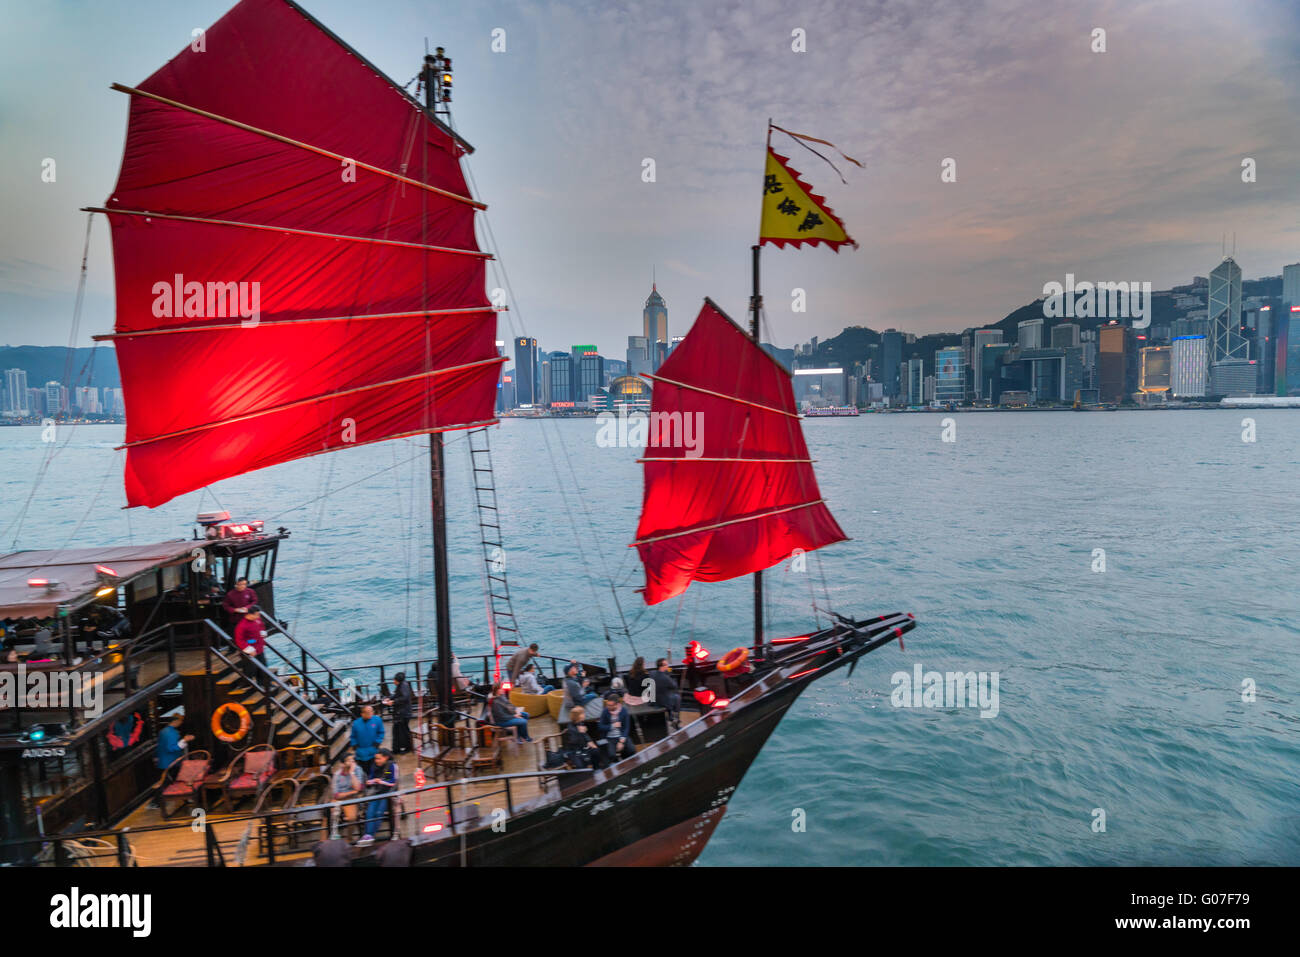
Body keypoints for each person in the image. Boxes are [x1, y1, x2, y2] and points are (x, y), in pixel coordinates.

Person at [358, 748, 398, 846]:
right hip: (377, 792)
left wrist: (381, 781)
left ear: (386, 758)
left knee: (379, 813)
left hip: (388, 793)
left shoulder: (391, 766)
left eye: (379, 759)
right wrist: (370, 781)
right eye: (376, 759)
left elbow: (393, 781)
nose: (376, 761)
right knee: (370, 812)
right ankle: (368, 835)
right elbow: (371, 778)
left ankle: (370, 835)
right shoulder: (374, 766)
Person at [233, 606, 268, 689]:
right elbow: (239, 640)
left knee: (263, 666)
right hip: (249, 649)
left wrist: (263, 632)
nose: (258, 617)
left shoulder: (257, 620)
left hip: (259, 647)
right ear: (249, 614)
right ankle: (246, 683)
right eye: (256, 615)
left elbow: (262, 626)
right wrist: (249, 649)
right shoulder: (242, 626)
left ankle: (262, 683)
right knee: (249, 668)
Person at [331, 751, 365, 835]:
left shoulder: (357, 770)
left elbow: (358, 788)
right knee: (330, 815)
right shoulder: (337, 774)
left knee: (352, 818)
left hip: (352, 798)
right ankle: (327, 838)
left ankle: (349, 838)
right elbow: (336, 795)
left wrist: (351, 773)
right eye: (349, 760)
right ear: (342, 764)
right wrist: (351, 792)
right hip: (340, 798)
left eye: (353, 760)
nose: (352, 762)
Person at [596, 693, 635, 763]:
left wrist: (621, 741)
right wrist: (612, 726)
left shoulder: (624, 711)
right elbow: (600, 726)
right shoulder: (605, 712)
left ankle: (627, 762)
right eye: (608, 705)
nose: (608, 707)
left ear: (617, 704)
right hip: (610, 737)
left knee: (631, 750)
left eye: (611, 705)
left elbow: (626, 727)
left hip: (621, 736)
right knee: (611, 755)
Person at [350, 703, 385, 775]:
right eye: (367, 712)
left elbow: (381, 732)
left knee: (375, 769)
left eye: (371, 711)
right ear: (362, 714)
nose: (370, 713)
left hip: (373, 749)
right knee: (363, 770)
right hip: (360, 751)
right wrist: (354, 745)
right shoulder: (356, 723)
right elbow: (353, 736)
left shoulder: (377, 720)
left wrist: (378, 742)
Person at [386, 672, 413, 754]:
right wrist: (389, 698)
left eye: (394, 680)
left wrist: (393, 702)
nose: (393, 681)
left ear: (398, 681)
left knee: (403, 731)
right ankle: (396, 749)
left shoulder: (403, 686)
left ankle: (407, 748)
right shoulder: (401, 685)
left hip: (403, 713)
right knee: (397, 731)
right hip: (399, 713)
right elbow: (396, 695)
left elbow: (404, 698)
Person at [650, 658, 682, 723]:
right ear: (662, 666)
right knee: (677, 697)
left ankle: (670, 716)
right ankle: (676, 717)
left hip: (653, 699)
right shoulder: (665, 678)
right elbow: (674, 686)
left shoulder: (652, 673)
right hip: (661, 702)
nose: (668, 666)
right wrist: (668, 675)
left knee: (667, 693)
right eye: (666, 665)